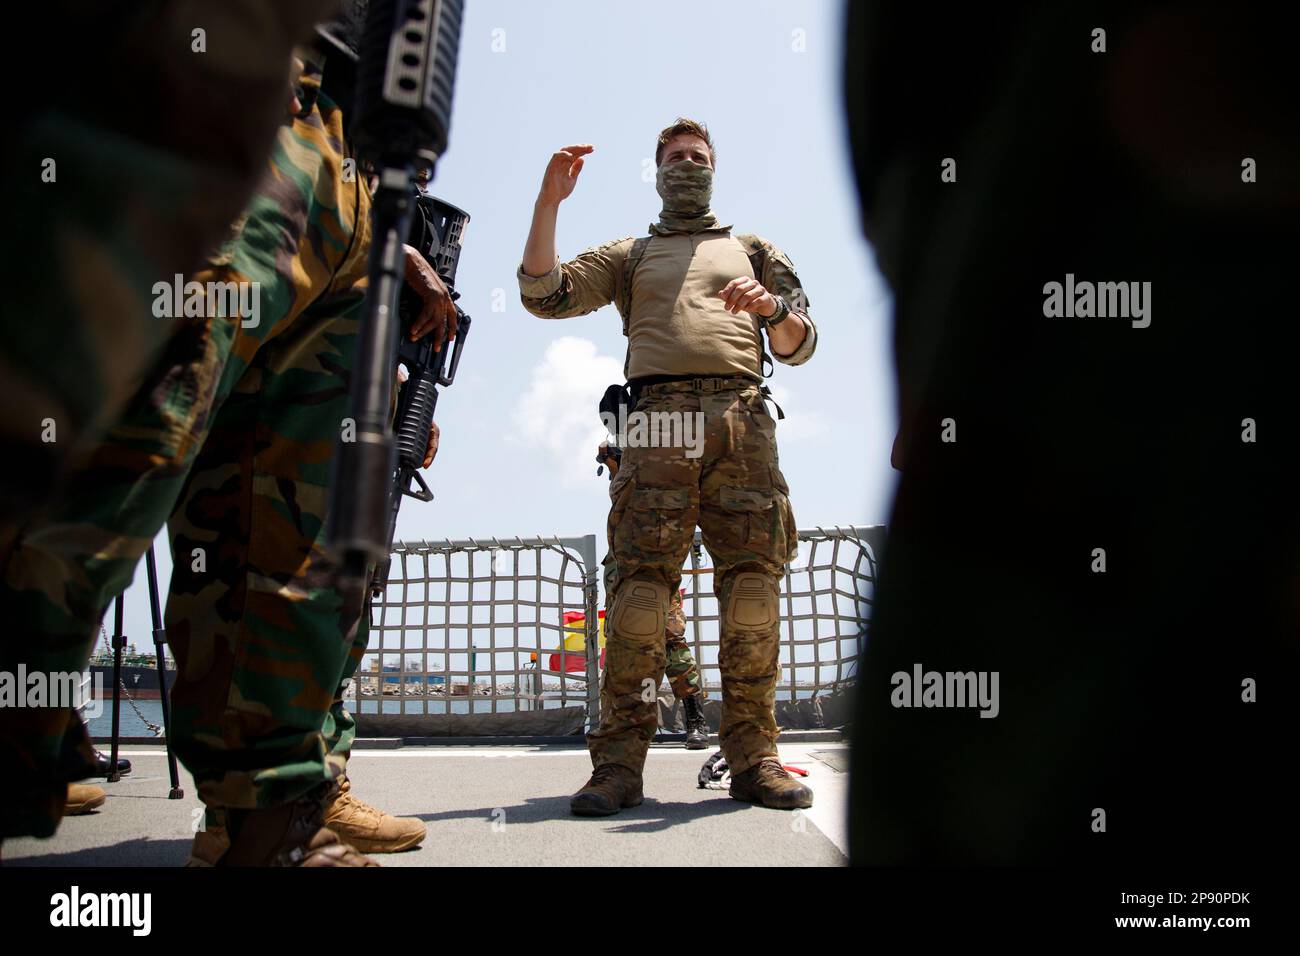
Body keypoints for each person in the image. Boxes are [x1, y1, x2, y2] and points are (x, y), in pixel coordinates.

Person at [0, 24, 455, 866]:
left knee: (294, 529)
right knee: (123, 422)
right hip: (242, 76)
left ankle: (269, 813)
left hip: (359, 160)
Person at [520, 119, 817, 816]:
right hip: (655, 423)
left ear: (716, 168)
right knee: (641, 603)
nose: (688, 165)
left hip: (742, 423)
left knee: (752, 595)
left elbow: (802, 343)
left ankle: (754, 759)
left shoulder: (753, 249)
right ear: (656, 170)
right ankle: (618, 767)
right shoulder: (633, 254)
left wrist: (772, 309)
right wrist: (548, 204)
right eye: (676, 157)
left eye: (699, 157)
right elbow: (544, 293)